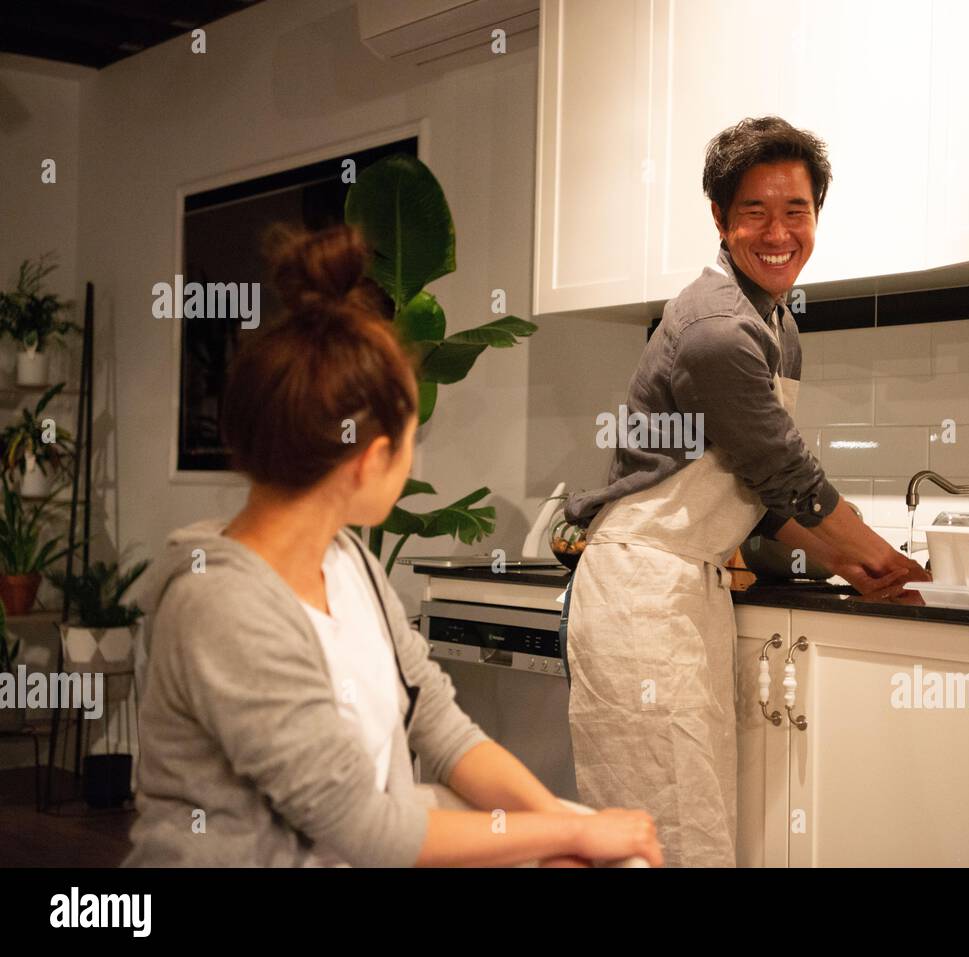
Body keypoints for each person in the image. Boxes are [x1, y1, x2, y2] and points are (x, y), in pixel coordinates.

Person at [126, 223, 661, 868]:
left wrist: (556, 822)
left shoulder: (346, 560)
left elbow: (435, 723)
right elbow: (366, 831)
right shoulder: (221, 606)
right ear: (369, 460)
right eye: (411, 440)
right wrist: (573, 834)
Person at [561, 116, 929, 867]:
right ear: (722, 222)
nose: (778, 231)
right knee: (664, 841)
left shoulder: (777, 324)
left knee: (696, 824)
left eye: (796, 210)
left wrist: (852, 564)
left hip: (690, 591)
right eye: (754, 211)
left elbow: (760, 492)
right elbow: (789, 471)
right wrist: (889, 559)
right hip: (641, 592)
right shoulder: (716, 331)